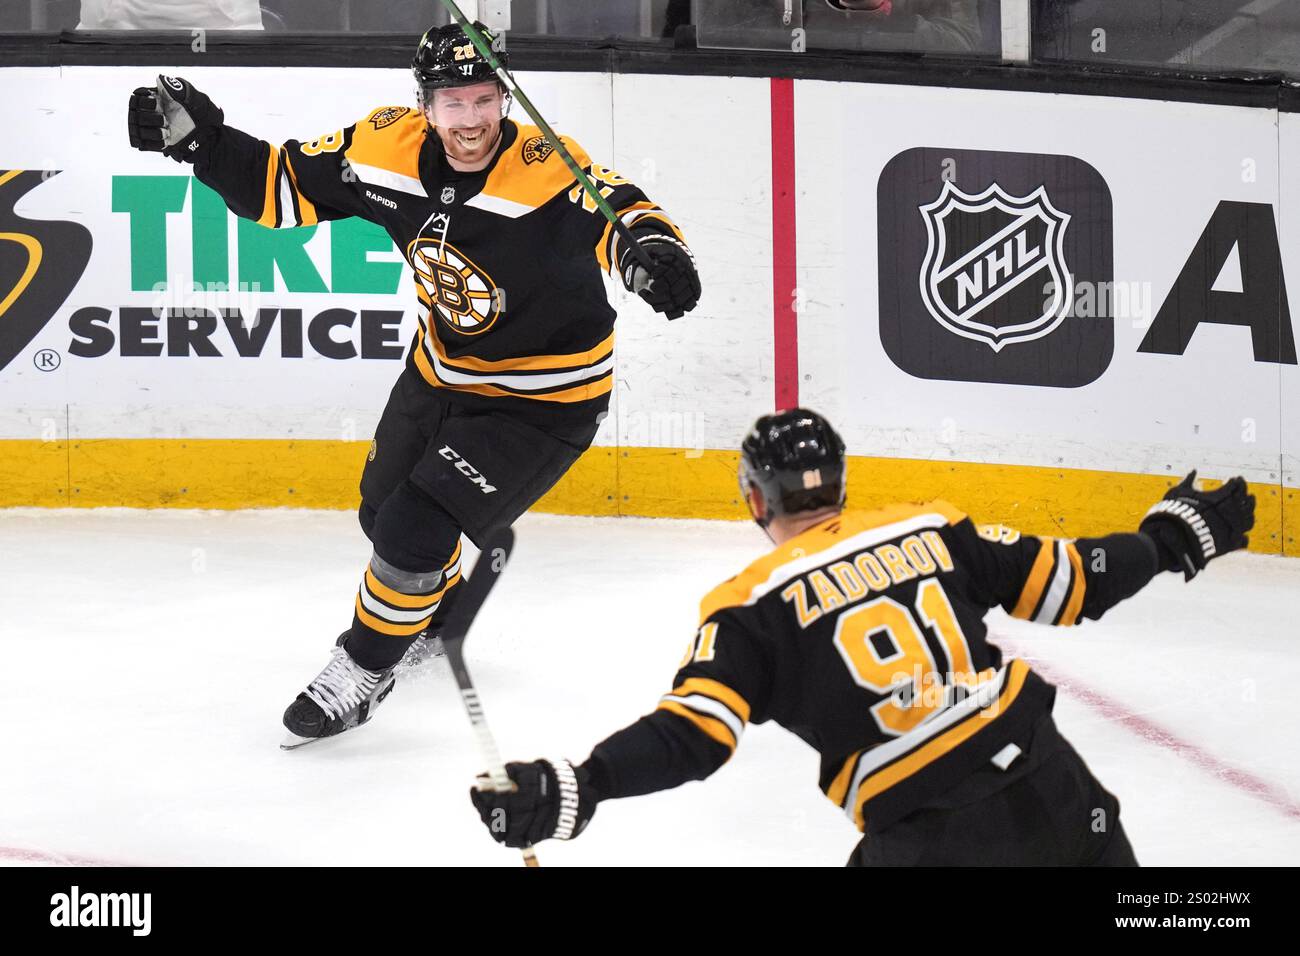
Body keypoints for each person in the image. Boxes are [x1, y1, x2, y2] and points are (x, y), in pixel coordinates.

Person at [125, 22, 701, 747]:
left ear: (506, 96)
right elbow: (280, 187)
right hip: (439, 373)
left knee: (413, 526)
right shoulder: (380, 146)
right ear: (423, 105)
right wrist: (202, 144)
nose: (471, 120)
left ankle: (362, 670)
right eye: (453, 102)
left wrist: (653, 251)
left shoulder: (547, 165)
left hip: (543, 400)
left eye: (485, 99)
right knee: (380, 510)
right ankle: (440, 614)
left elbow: (622, 212)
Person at [470, 408, 1255, 865]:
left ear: (754, 502)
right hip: (1056, 789)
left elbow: (694, 736)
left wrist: (581, 785)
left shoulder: (747, 607)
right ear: (843, 483)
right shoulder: (933, 529)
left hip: (930, 839)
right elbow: (1075, 579)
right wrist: (1172, 539)